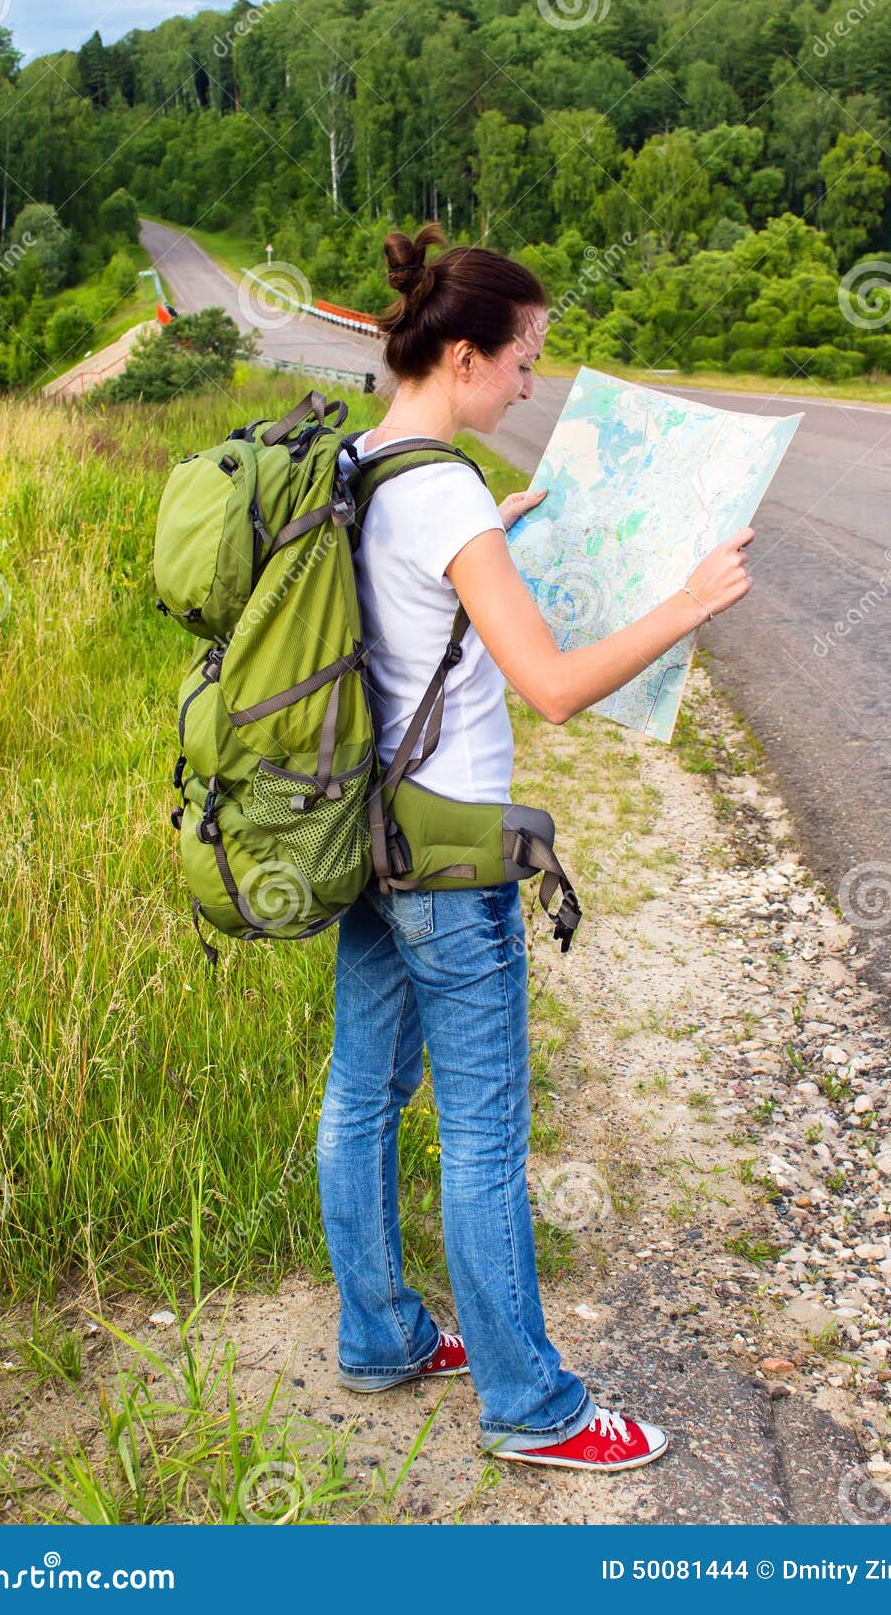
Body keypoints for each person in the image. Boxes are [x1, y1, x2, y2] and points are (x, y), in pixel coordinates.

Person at [315, 222, 754, 1474]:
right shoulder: (440, 490)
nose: (528, 387)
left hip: (368, 834)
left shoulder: (364, 461)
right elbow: (552, 687)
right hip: (451, 864)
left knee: (360, 1097)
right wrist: (684, 604)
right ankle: (531, 1406)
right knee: (485, 1138)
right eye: (521, 364)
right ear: (463, 352)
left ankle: (381, 1336)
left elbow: (402, 614)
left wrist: (488, 527)